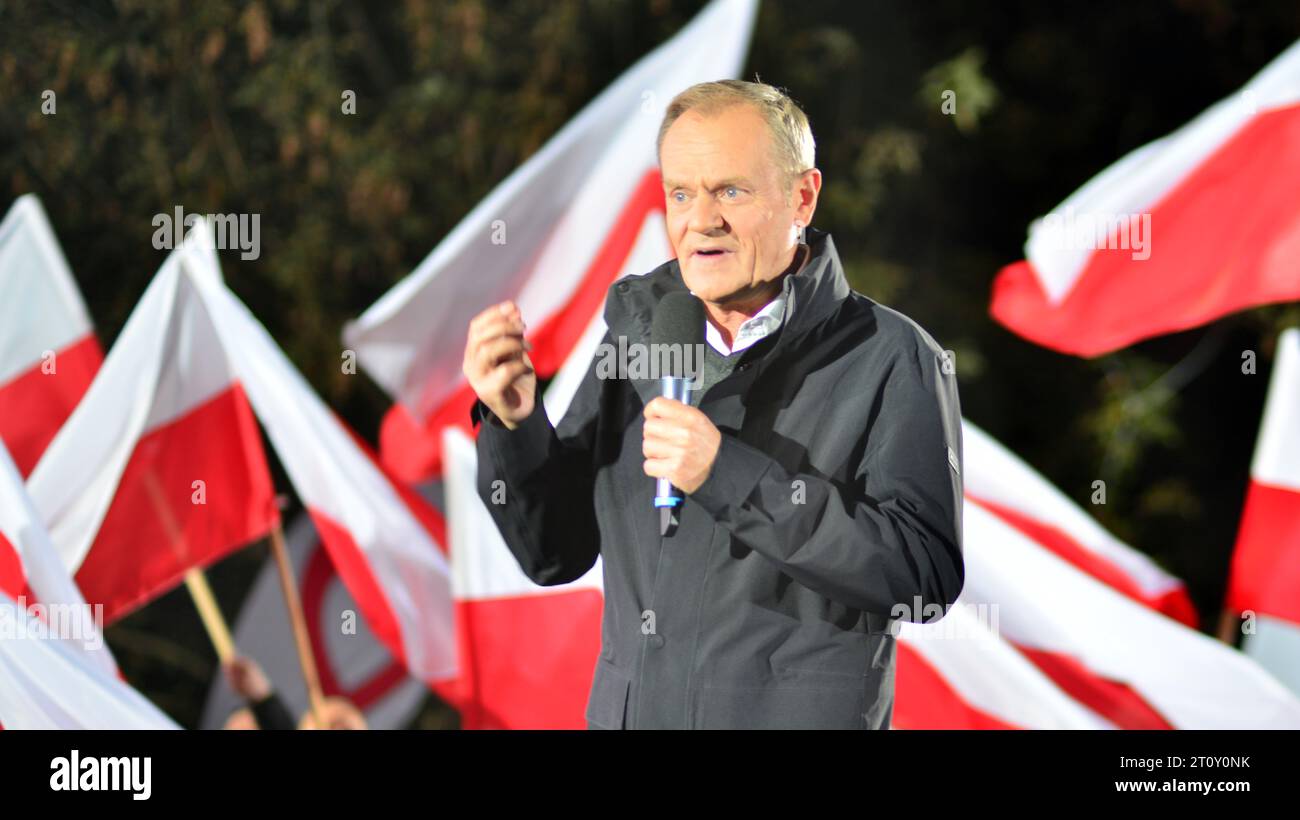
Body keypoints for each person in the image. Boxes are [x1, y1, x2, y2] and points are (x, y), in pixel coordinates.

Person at [464, 79, 964, 729]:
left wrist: (726, 474)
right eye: (681, 193)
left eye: (731, 190)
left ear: (802, 196)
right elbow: (553, 552)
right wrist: (515, 423)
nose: (702, 219)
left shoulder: (893, 357)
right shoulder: (637, 332)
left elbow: (923, 578)